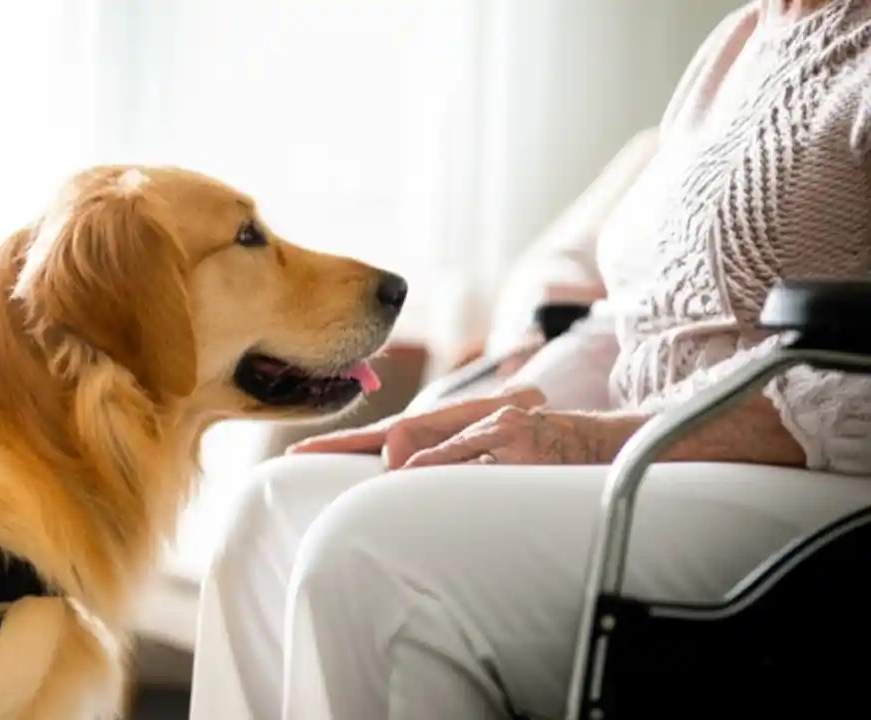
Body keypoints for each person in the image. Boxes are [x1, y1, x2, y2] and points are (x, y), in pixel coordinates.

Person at [188, 1, 871, 718]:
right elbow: (635, 317)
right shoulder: (744, 37)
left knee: (374, 551)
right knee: (272, 507)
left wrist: (596, 437)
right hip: (661, 454)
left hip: (800, 484)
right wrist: (503, 408)